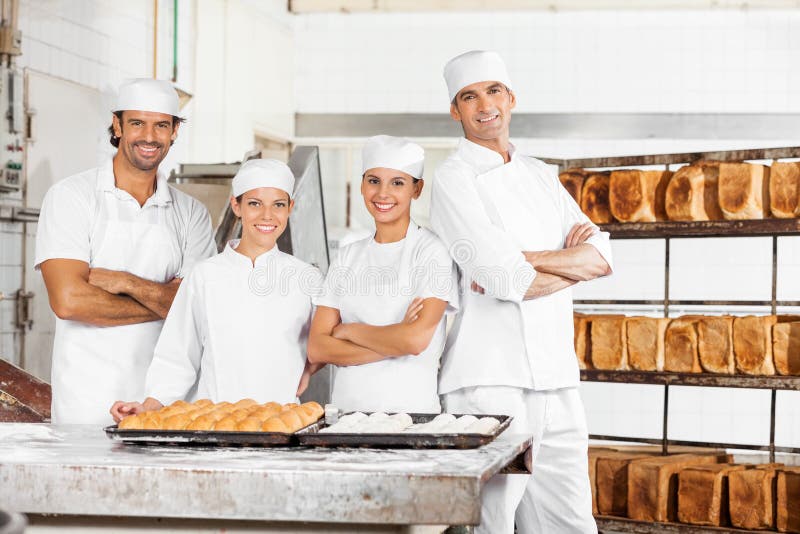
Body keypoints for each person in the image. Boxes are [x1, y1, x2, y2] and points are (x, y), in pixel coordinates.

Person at [430, 50, 614, 533]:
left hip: (556, 377)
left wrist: (522, 259)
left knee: (571, 522)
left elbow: (602, 256)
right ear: (456, 111)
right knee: (491, 523)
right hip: (489, 380)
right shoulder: (454, 179)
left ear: (511, 99)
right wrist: (554, 267)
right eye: (469, 96)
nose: (484, 104)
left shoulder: (540, 174)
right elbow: (502, 278)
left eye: (493, 91)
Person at [35, 78, 216, 425]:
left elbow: (199, 308)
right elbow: (69, 301)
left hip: (165, 403)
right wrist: (167, 301)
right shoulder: (71, 197)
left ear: (175, 131)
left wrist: (124, 282)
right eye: (137, 123)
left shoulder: (191, 213)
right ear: (117, 125)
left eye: (161, 125)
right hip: (86, 402)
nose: (149, 136)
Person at [110, 159, 321, 421]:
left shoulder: (307, 278)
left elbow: (326, 341)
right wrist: (149, 406)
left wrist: (310, 368)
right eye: (255, 203)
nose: (267, 215)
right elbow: (178, 355)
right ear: (237, 206)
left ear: (290, 208)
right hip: (214, 422)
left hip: (280, 425)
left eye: (278, 204)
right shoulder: (204, 275)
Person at [307, 135, 458, 414]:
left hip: (411, 415)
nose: (382, 194)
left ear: (417, 189)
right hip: (345, 416)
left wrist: (348, 331)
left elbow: (414, 341)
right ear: (363, 185)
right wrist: (394, 340)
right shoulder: (347, 256)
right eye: (374, 181)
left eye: (397, 183)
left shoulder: (431, 251)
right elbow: (317, 348)